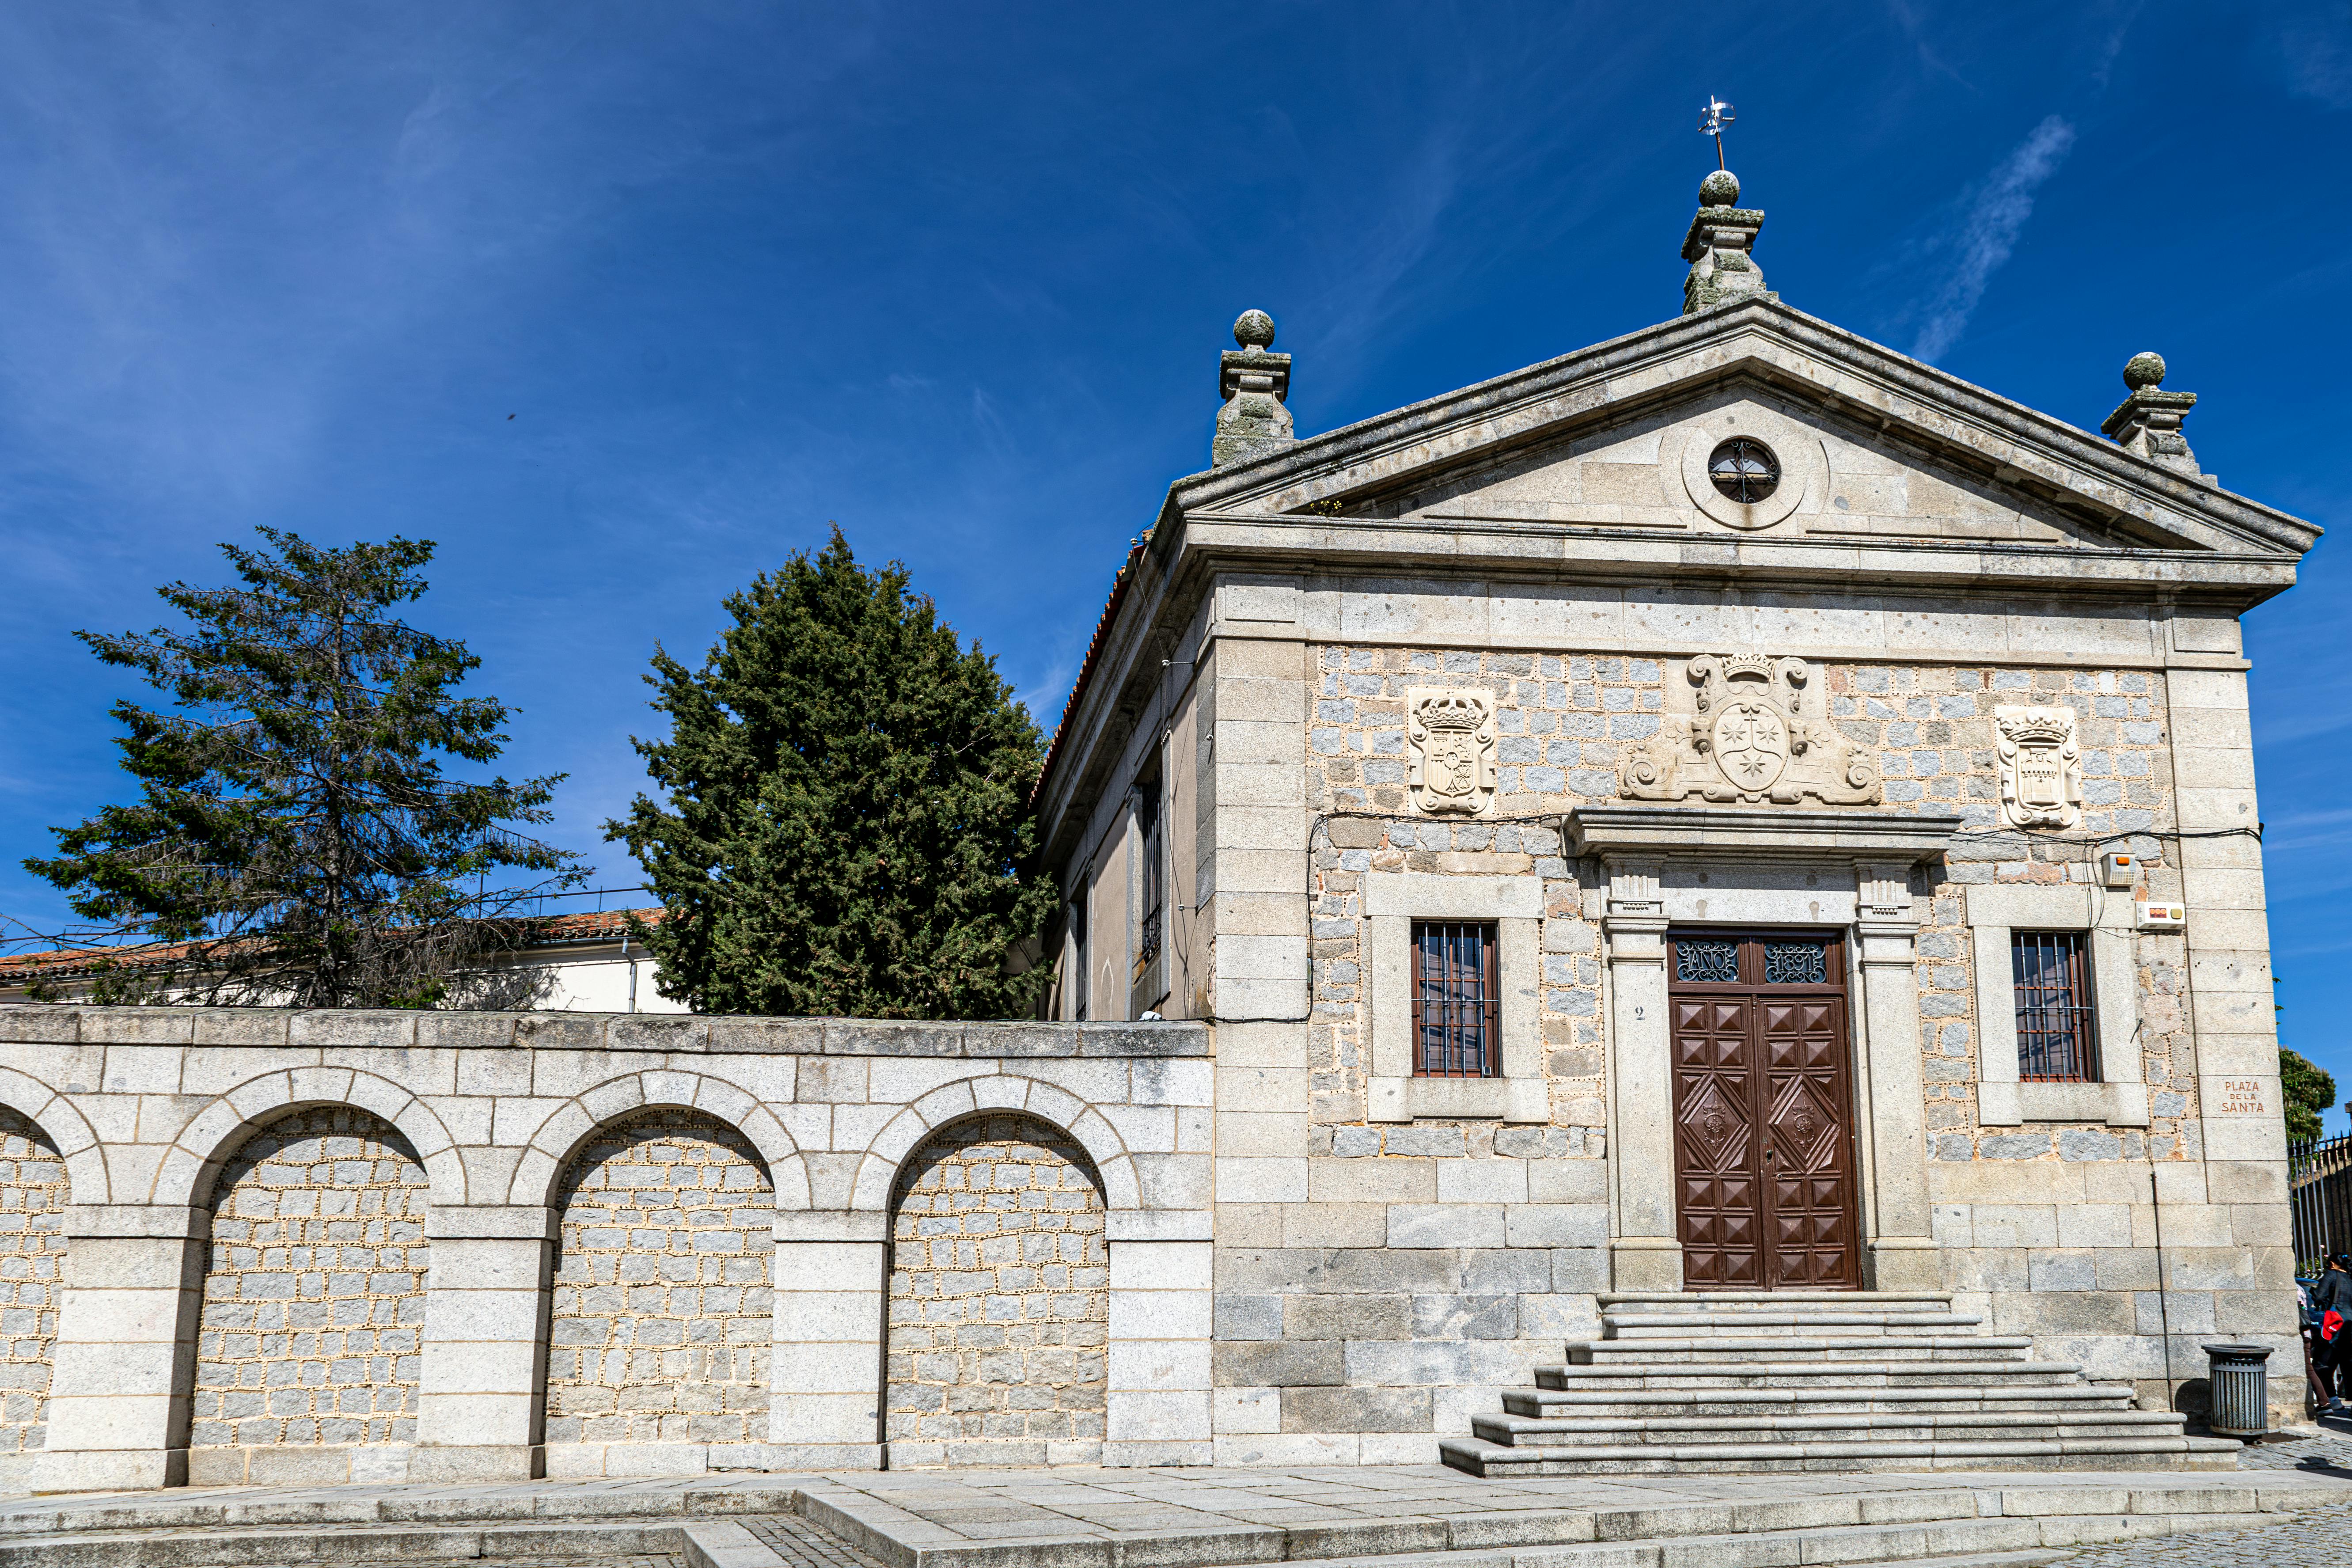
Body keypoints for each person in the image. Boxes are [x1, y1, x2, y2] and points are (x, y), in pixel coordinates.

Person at [2314, 1253, 2352, 1416]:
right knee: (2348, 1364)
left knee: (2320, 1365)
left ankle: (2333, 1401)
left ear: (2331, 1264)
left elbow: (2319, 1297)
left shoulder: (2332, 1275)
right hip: (2350, 1327)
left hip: (2336, 1326)